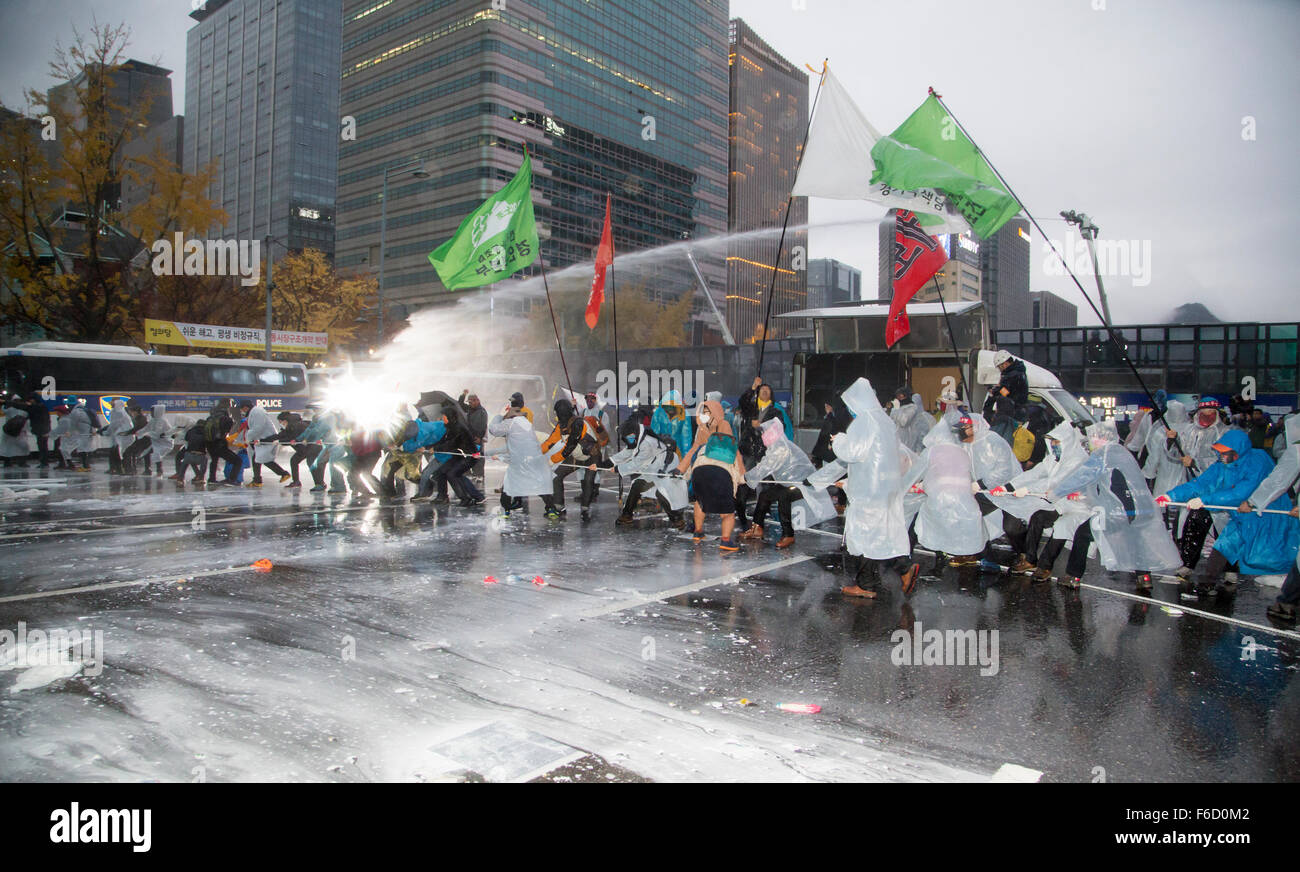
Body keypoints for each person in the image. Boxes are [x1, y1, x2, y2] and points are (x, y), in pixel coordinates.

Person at [1159, 429, 1298, 599]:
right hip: (1243, 514)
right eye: (1220, 452)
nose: (1221, 456)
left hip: (1267, 515)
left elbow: (1241, 492)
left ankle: (1289, 589)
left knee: (1276, 553)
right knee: (1224, 545)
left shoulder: (1257, 461)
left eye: (1225, 453)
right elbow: (1201, 483)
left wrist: (1204, 500)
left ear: (1237, 452)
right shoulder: (1222, 465)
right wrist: (1171, 496)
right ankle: (1207, 583)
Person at [1053, 422, 1182, 592]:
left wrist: (1055, 492)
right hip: (1138, 509)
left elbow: (1083, 476)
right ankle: (1144, 577)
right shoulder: (1121, 452)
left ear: (1101, 438)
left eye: (1092, 437)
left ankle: (1073, 576)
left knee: (1083, 534)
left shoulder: (1104, 454)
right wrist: (1082, 493)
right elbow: (1106, 481)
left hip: (1117, 512)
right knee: (1134, 538)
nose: (1090, 441)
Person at [833, 378, 920, 598]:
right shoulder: (885, 420)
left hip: (869, 491)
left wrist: (838, 440)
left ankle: (869, 583)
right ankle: (898, 571)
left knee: (864, 534)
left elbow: (853, 452)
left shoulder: (865, 421)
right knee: (881, 533)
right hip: (886, 487)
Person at [1001, 422, 1094, 584]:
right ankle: (1030, 559)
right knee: (1037, 518)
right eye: (1052, 442)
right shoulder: (1053, 459)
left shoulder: (1077, 460)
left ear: (1067, 441)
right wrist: (1009, 486)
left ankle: (1045, 566)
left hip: (1077, 505)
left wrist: (1027, 489)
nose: (1053, 445)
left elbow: (1055, 482)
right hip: (1058, 502)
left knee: (1061, 528)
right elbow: (1035, 473)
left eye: (1057, 442)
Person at [740, 418, 832, 549]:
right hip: (788, 482)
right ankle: (757, 528)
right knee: (765, 495)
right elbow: (765, 464)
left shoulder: (781, 448)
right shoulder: (775, 447)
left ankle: (788, 534)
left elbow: (766, 466)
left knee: (784, 496)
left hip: (801, 484)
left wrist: (745, 477)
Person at [1243, 414, 1300, 623]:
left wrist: (1252, 502)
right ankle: (1286, 601)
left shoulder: (1298, 450)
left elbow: (1278, 480)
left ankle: (1287, 602)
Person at [1169, 398, 1229, 575]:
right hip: (1196, 488)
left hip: (1219, 490)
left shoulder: (1224, 433)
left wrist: (1196, 463)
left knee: (1224, 531)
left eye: (1211, 413)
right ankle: (1188, 564)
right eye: (1204, 413)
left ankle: (1230, 568)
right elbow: (1175, 454)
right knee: (1194, 524)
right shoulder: (1188, 431)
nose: (1207, 416)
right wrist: (1172, 441)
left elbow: (1225, 462)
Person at [676, 397, 745, 550]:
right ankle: (725, 540)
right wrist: (742, 473)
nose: (705, 415)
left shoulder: (704, 429)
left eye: (708, 412)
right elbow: (731, 447)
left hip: (699, 470)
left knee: (700, 501)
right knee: (727, 511)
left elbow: (693, 450)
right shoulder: (722, 424)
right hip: (721, 471)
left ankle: (698, 532)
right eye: (704, 412)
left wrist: (681, 468)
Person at [612, 410, 689, 530]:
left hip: (665, 475)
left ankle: (677, 519)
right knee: (637, 485)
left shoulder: (669, 455)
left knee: (661, 493)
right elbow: (639, 461)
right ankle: (627, 515)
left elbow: (661, 467)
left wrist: (619, 468)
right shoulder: (647, 443)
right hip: (653, 471)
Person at [487, 402, 559, 518]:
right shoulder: (526, 423)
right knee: (538, 485)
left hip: (520, 462)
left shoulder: (511, 423)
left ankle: (505, 510)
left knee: (508, 485)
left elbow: (493, 430)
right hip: (533, 460)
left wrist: (499, 416)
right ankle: (551, 509)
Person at [542, 398, 606, 521]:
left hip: (592, 456)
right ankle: (559, 507)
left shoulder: (578, 424)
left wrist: (552, 460)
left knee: (588, 481)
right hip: (577, 456)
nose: (556, 416)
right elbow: (549, 442)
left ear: (560, 413)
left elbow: (569, 448)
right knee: (557, 477)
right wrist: (536, 452)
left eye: (557, 413)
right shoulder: (561, 425)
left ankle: (585, 508)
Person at [244, 403, 290, 487]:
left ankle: (282, 474)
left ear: (245, 407)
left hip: (267, 439)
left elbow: (257, 428)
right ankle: (258, 480)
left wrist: (249, 438)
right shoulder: (255, 412)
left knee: (261, 459)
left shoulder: (257, 412)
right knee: (259, 459)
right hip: (264, 439)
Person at [739, 376, 792, 441]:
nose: (765, 390)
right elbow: (743, 401)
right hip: (748, 444)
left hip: (766, 445)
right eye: (762, 389)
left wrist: (761, 426)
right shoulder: (750, 407)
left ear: (771, 394)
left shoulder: (776, 412)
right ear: (758, 393)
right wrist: (753, 387)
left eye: (767, 389)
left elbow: (780, 427)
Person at [458, 391, 489, 483]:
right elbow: (460, 404)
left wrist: (480, 437)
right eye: (469, 402)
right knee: (469, 455)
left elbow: (483, 425)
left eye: (471, 402)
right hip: (470, 437)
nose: (470, 404)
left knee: (478, 456)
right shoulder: (470, 409)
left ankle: (479, 474)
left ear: (477, 401)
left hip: (477, 438)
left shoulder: (482, 412)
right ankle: (471, 473)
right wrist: (463, 395)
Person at [890, 387, 930, 454]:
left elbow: (903, 422)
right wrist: (894, 409)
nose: (899, 398)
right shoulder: (897, 408)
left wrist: (897, 409)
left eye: (901, 396)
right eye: (898, 396)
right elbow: (891, 421)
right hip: (897, 440)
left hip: (908, 442)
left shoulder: (912, 407)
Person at [143, 403, 174, 478]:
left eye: (153, 412)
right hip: (157, 442)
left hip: (165, 442)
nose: (151, 413)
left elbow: (158, 433)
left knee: (156, 453)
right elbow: (147, 428)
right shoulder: (153, 420)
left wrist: (148, 434)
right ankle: (148, 470)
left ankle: (159, 471)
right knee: (147, 453)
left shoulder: (162, 421)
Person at [1, 395, 31, 467]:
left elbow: (3, 409)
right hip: (20, 432)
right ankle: (22, 463)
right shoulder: (24, 410)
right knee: (23, 447)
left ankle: (7, 462)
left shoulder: (8, 409)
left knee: (8, 448)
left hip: (9, 432)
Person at [105, 398, 133, 474]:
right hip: (121, 436)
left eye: (113, 403)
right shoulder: (119, 412)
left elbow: (114, 425)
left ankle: (119, 469)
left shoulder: (119, 413)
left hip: (122, 437)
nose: (111, 404)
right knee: (118, 452)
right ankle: (118, 468)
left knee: (118, 453)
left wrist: (106, 432)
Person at [23, 394, 51, 468]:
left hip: (42, 430)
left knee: (42, 446)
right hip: (43, 430)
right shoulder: (41, 407)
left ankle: (44, 462)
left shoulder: (37, 407)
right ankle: (44, 462)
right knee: (43, 446)